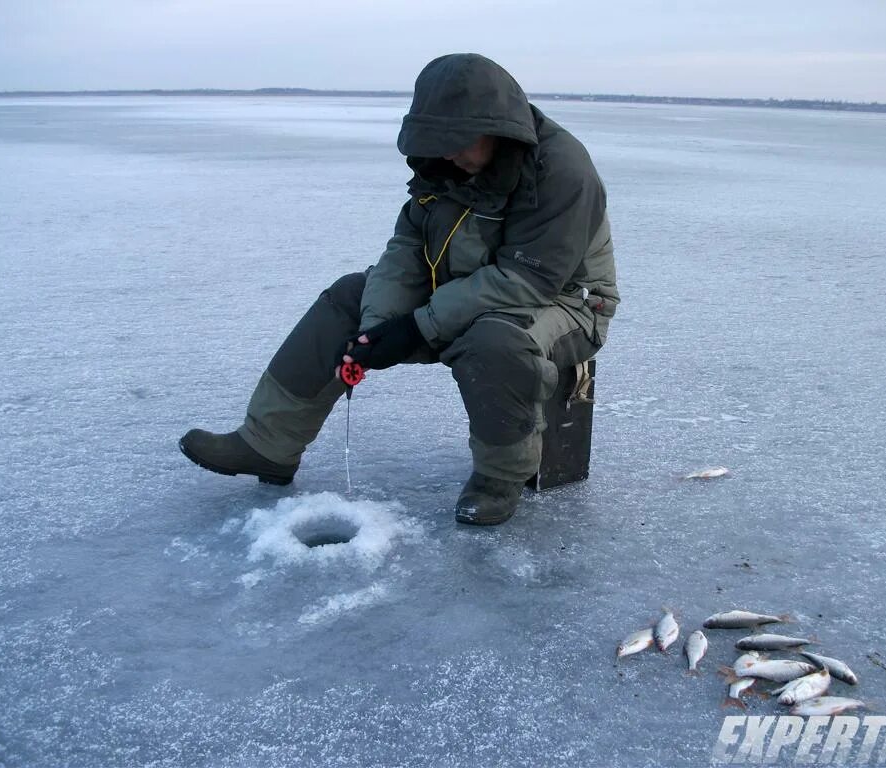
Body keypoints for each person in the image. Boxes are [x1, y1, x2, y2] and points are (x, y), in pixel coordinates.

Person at [180, 53, 619, 525]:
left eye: (458, 142)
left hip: (565, 300)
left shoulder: (563, 171)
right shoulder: (445, 162)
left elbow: (528, 280)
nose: (449, 155)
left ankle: (499, 478)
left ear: (499, 127)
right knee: (349, 297)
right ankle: (267, 445)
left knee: (494, 338)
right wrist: (376, 328)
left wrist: (416, 327)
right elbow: (408, 246)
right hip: (470, 285)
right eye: (440, 143)